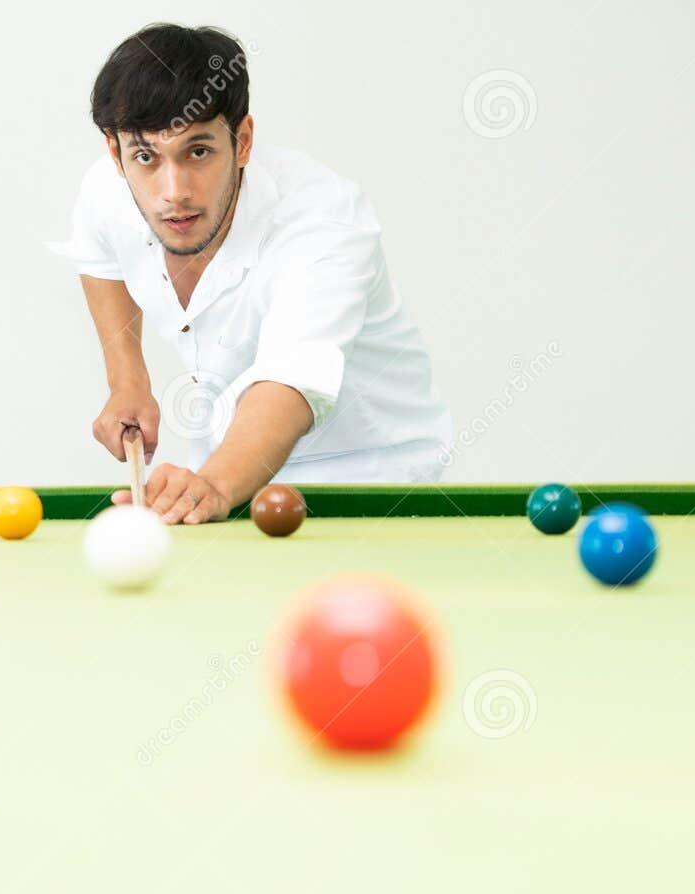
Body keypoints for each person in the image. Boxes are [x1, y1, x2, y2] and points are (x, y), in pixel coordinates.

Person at [66, 23, 452, 523]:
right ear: (116, 154)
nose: (174, 190)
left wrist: (215, 485)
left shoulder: (324, 221)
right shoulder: (107, 190)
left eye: (198, 151)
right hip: (220, 474)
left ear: (243, 141)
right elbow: (100, 261)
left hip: (370, 482)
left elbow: (291, 379)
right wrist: (128, 380)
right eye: (146, 157)